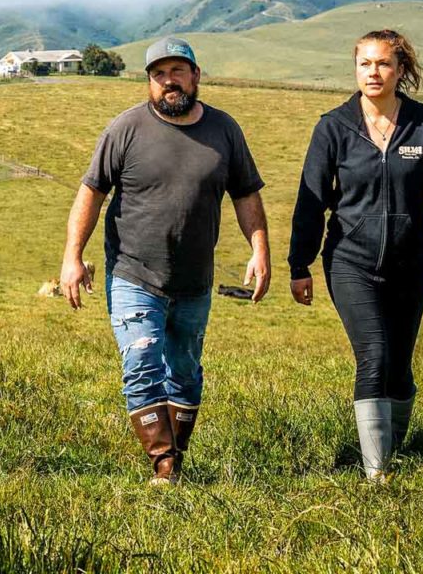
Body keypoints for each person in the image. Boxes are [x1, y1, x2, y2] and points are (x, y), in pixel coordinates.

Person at [61, 35, 271, 485]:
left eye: (177, 72)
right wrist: (72, 257)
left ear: (196, 76)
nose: (168, 82)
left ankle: (176, 456)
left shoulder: (224, 130)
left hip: (195, 278)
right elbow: (91, 193)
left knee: (186, 372)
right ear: (148, 83)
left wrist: (260, 250)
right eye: (158, 75)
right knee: (141, 363)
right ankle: (164, 465)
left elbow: (246, 194)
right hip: (134, 272)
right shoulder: (126, 129)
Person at [287, 29, 423, 481]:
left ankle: (395, 448)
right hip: (350, 261)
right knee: (374, 354)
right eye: (365, 64)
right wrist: (300, 263)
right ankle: (378, 476)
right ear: (355, 69)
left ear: (401, 70)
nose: (373, 72)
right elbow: (310, 198)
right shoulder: (333, 127)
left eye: (383, 63)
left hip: (412, 263)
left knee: (399, 366)